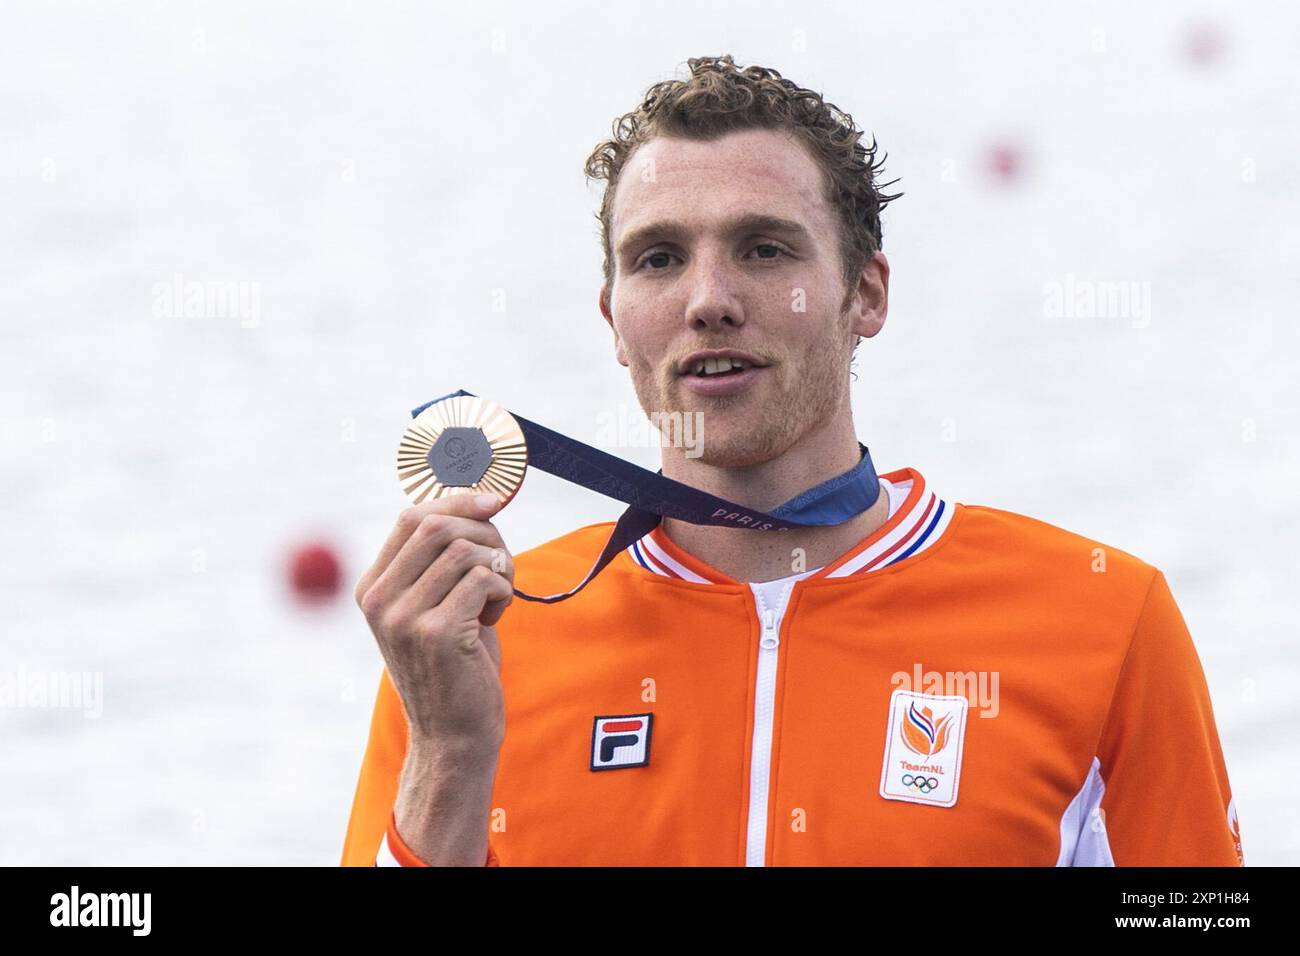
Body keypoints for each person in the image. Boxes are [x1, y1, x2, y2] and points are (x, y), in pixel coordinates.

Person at [340, 55, 1243, 867]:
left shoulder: (1101, 620)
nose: (709, 301)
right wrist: (451, 760)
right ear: (614, 321)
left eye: (764, 249)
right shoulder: (470, 650)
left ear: (867, 294)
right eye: (659, 259)